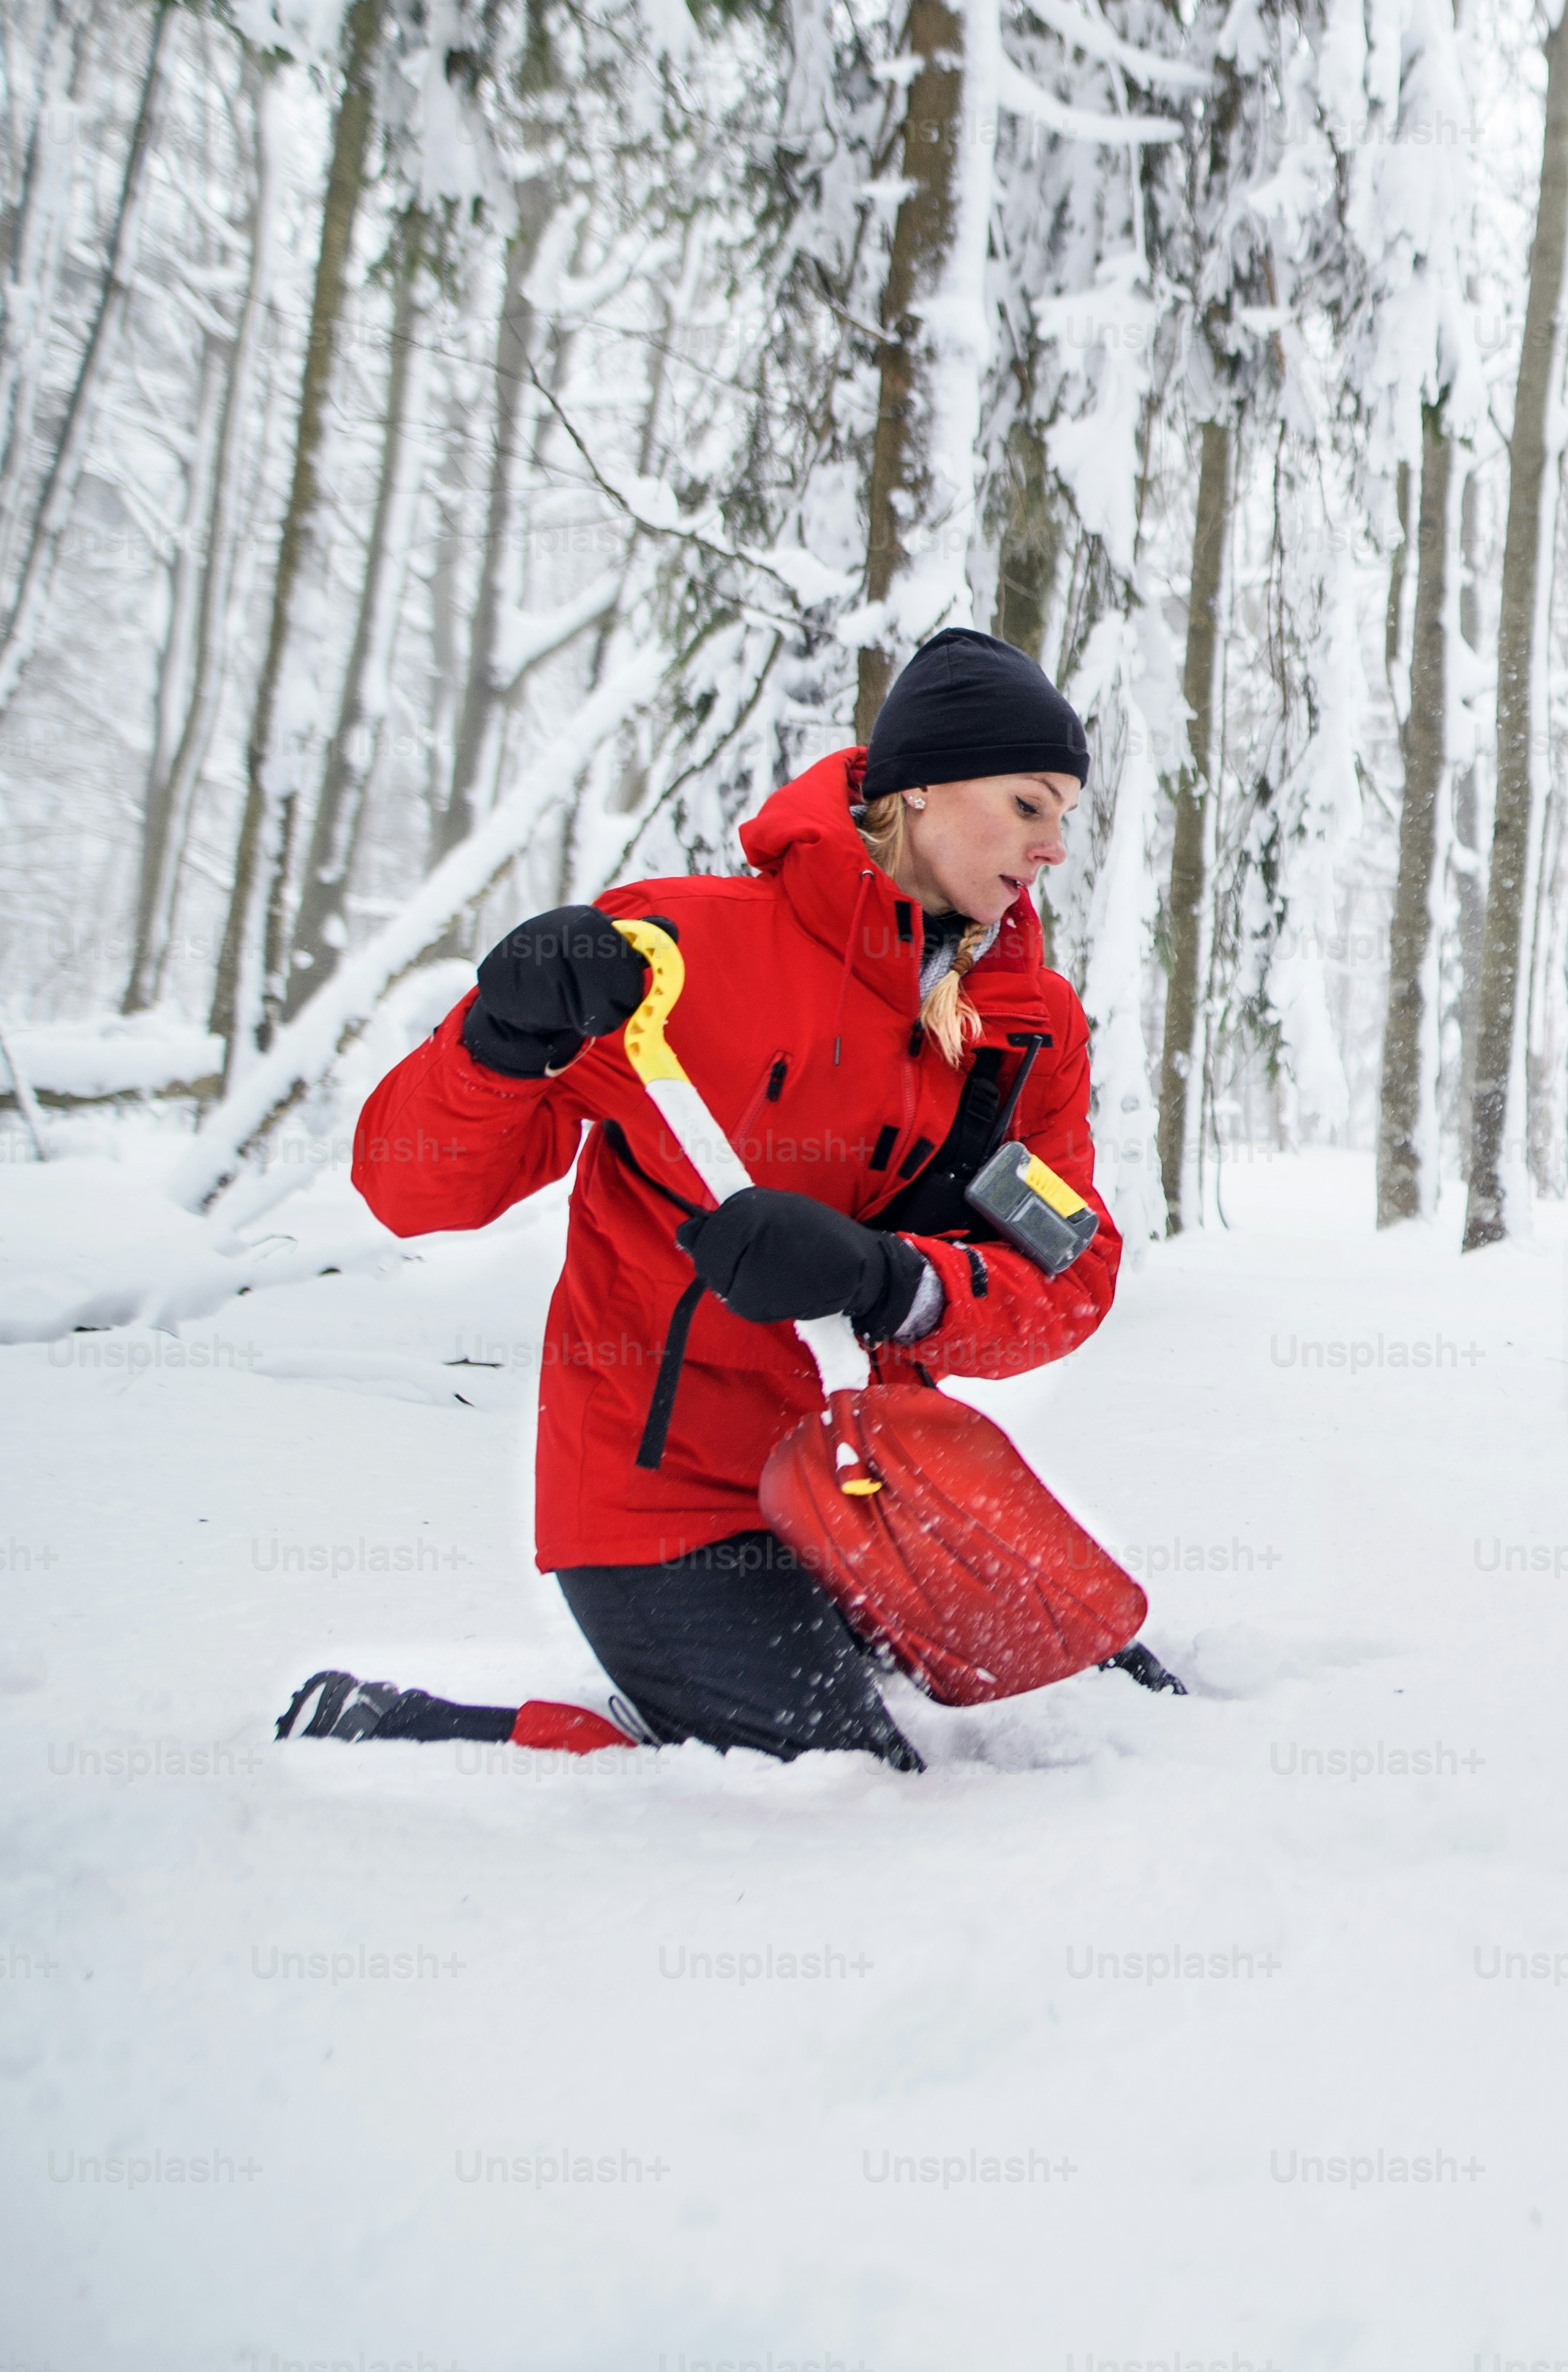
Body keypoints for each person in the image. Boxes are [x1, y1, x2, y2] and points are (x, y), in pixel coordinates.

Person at [279, 629, 1127, 1770]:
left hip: (865, 1491)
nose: (1054, 846)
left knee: (1090, 1699)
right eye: (1029, 804)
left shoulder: (1029, 1025)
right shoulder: (684, 950)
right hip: (663, 1501)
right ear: (918, 788)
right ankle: (427, 1731)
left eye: (1064, 814)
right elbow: (411, 1189)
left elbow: (1072, 1275)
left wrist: (896, 1280)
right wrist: (499, 1041)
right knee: (847, 1782)